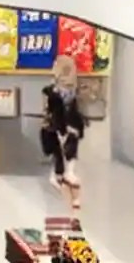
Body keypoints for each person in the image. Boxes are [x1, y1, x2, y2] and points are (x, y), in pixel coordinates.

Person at [46, 55, 86, 213]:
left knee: (69, 145)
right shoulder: (55, 93)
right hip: (58, 126)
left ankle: (65, 172)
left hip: (66, 126)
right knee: (62, 147)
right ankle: (59, 173)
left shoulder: (68, 93)